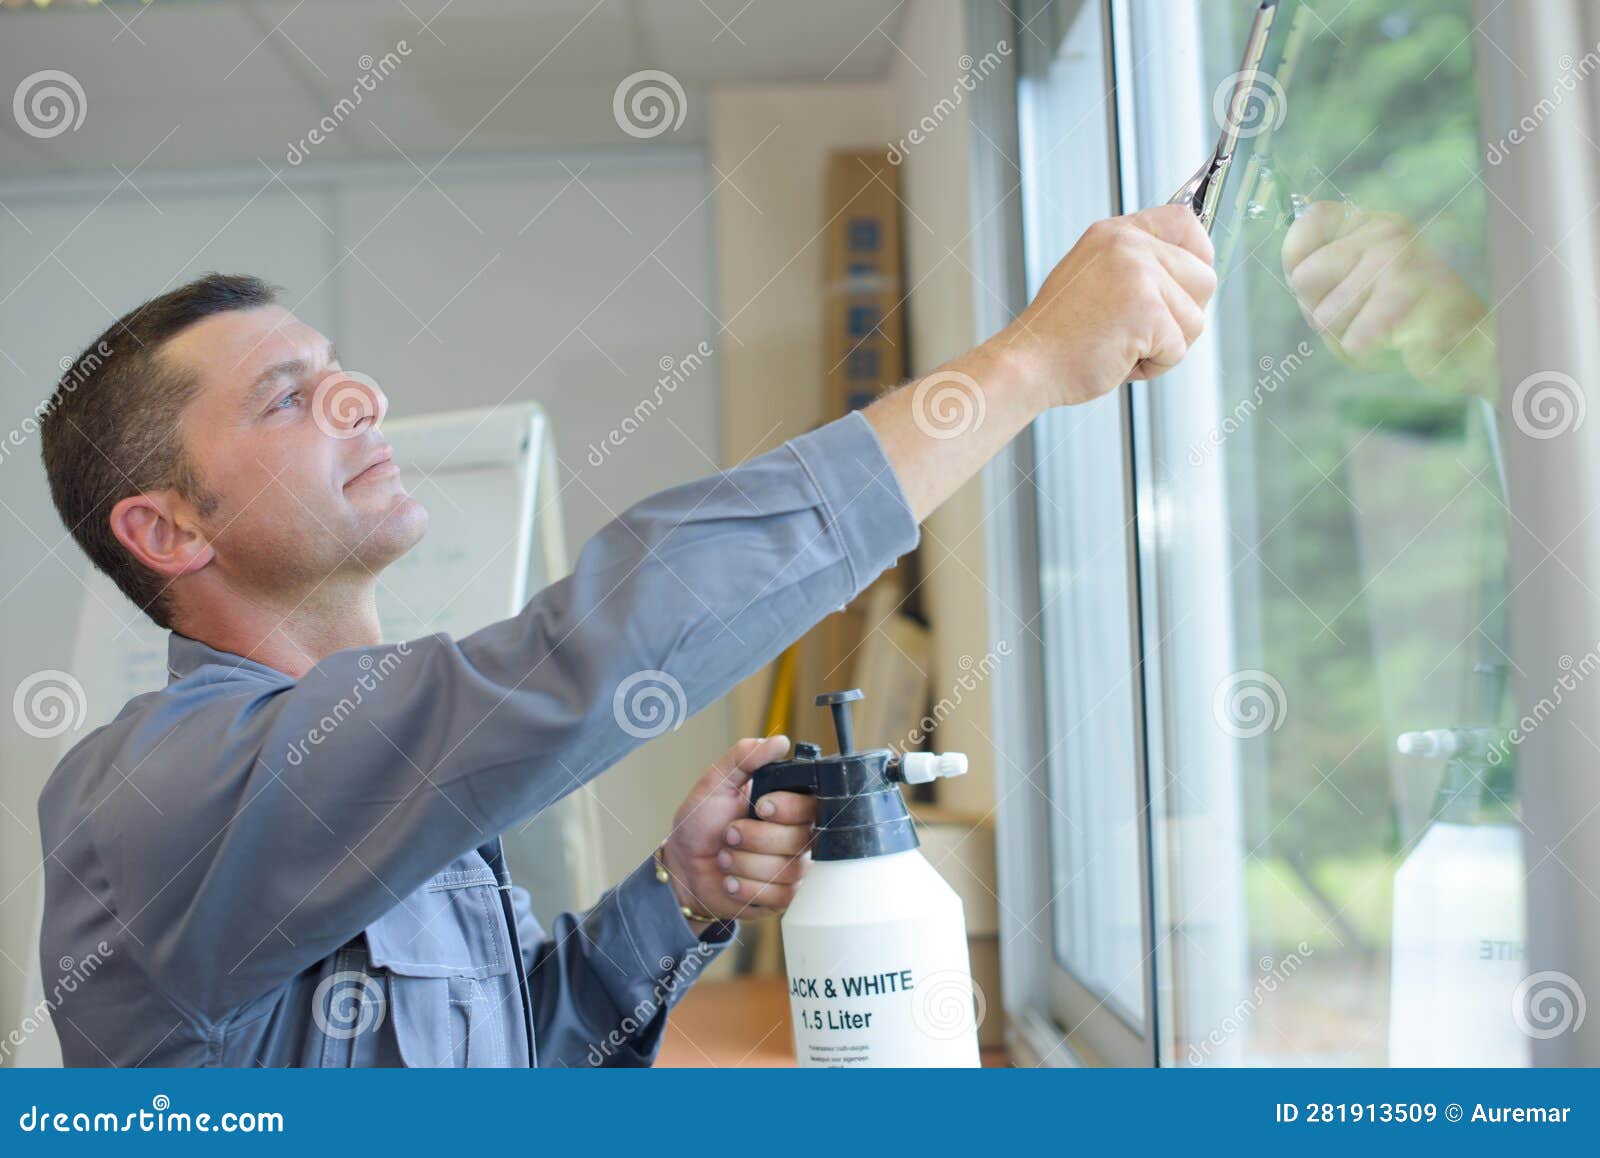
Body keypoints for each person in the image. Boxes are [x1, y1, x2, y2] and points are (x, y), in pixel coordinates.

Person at [34, 204, 1215, 1067]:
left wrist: (678, 893)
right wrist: (1020, 366)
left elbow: (522, 1064)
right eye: (288, 398)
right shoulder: (152, 792)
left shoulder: (382, 784)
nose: (362, 401)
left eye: (339, 373)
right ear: (169, 528)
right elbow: (585, 656)